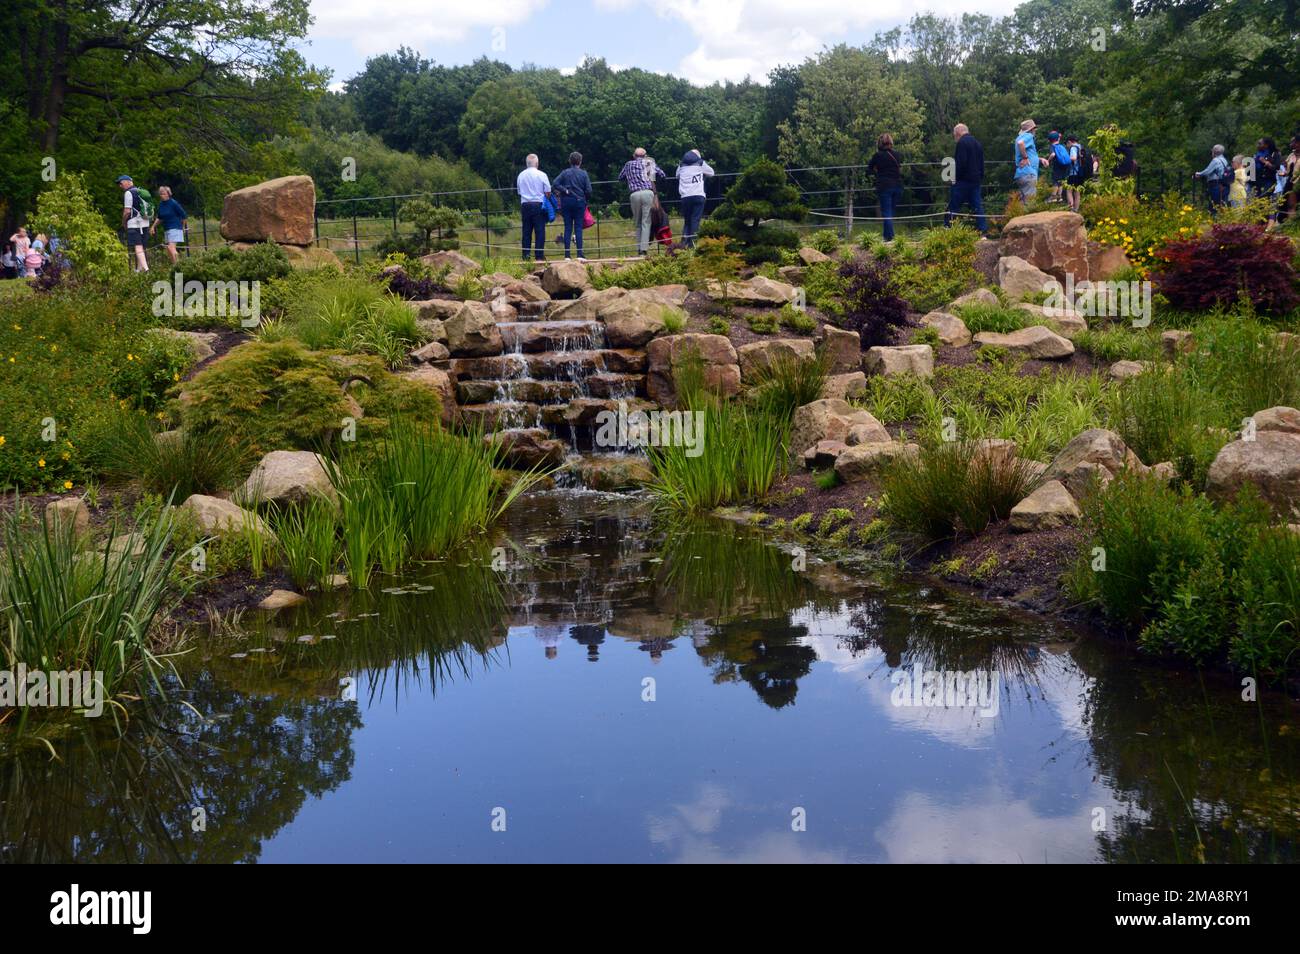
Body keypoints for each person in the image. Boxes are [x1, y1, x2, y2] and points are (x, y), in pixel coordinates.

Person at [618, 147, 665, 256]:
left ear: (634, 156)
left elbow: (620, 177)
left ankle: (639, 249)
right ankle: (643, 250)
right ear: (645, 156)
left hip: (634, 195)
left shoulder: (628, 164)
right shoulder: (648, 163)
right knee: (646, 222)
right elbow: (662, 175)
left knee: (638, 223)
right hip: (647, 193)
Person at [551, 151, 593, 261]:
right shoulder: (584, 174)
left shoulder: (565, 173)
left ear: (570, 161)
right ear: (580, 161)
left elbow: (555, 183)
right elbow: (589, 190)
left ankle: (567, 256)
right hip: (579, 202)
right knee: (578, 227)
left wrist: (564, 190)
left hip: (566, 202)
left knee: (567, 227)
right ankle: (579, 254)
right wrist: (585, 199)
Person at [945, 123, 986, 233]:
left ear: (958, 133)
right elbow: (982, 163)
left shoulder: (962, 143)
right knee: (977, 206)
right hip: (976, 180)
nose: (955, 138)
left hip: (963, 181)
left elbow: (960, 164)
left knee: (953, 206)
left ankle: (948, 229)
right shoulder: (978, 143)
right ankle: (983, 231)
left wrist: (954, 179)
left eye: (954, 135)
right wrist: (980, 176)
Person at [867, 133, 903, 241]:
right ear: (891, 142)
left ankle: (890, 238)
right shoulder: (897, 155)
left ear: (880, 143)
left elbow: (868, 169)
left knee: (886, 213)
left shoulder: (877, 156)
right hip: (897, 185)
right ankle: (886, 236)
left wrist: (877, 172)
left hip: (884, 186)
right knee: (890, 212)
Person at [516, 154, 551, 262]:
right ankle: (539, 256)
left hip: (525, 204)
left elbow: (519, 192)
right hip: (538, 204)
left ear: (527, 164)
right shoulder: (542, 175)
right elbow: (548, 191)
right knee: (540, 231)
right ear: (537, 163)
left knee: (526, 231)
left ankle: (526, 256)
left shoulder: (521, 175)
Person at [676, 149, 714, 247]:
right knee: (695, 220)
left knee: (687, 220)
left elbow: (677, 175)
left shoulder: (681, 165)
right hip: (698, 195)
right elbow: (711, 173)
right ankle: (693, 245)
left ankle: (683, 243)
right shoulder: (700, 163)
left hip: (685, 196)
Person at [117, 174, 150, 272]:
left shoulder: (128, 193)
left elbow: (127, 211)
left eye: (121, 183)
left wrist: (123, 222)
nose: (120, 186)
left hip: (134, 223)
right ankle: (139, 270)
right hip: (145, 222)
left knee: (138, 246)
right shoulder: (142, 191)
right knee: (142, 247)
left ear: (128, 182)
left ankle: (146, 270)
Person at [151, 186, 188, 264]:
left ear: (168, 194)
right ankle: (175, 268)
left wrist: (183, 228)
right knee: (169, 249)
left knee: (170, 247)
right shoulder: (161, 204)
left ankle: (179, 268)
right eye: (160, 194)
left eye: (164, 194)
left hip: (175, 228)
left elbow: (184, 215)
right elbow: (160, 217)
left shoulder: (173, 203)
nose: (162, 195)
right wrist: (153, 226)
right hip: (167, 229)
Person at [1013, 119, 1046, 204]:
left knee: (1022, 202)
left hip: (1021, 173)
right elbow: (1021, 143)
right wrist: (1025, 157)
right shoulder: (1028, 136)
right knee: (1030, 203)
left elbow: (1027, 152)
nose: (1035, 131)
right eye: (1034, 129)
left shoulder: (1019, 137)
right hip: (1028, 174)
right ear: (1031, 129)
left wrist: (1040, 159)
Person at [1193, 145, 1231, 212]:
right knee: (1220, 203)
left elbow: (1207, 171)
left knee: (1214, 205)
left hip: (1215, 185)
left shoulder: (1216, 160)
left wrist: (1198, 174)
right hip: (1223, 185)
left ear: (1214, 152)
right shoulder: (1224, 160)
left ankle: (1214, 220)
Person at [1064, 133, 1086, 213]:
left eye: (1067, 144)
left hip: (1073, 172)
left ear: (1069, 142)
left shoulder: (1073, 148)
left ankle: (1071, 208)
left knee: (1069, 190)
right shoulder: (1081, 147)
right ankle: (1076, 210)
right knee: (1077, 192)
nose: (1067, 146)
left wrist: (1065, 158)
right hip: (1080, 173)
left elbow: (1073, 158)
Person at [1046, 131, 1071, 203]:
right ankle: (1059, 197)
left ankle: (1053, 196)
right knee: (1061, 182)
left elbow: (1053, 154)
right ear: (1058, 139)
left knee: (1055, 182)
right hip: (1065, 167)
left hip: (1057, 167)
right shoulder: (1061, 146)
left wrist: (1048, 160)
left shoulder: (1052, 146)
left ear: (1049, 140)